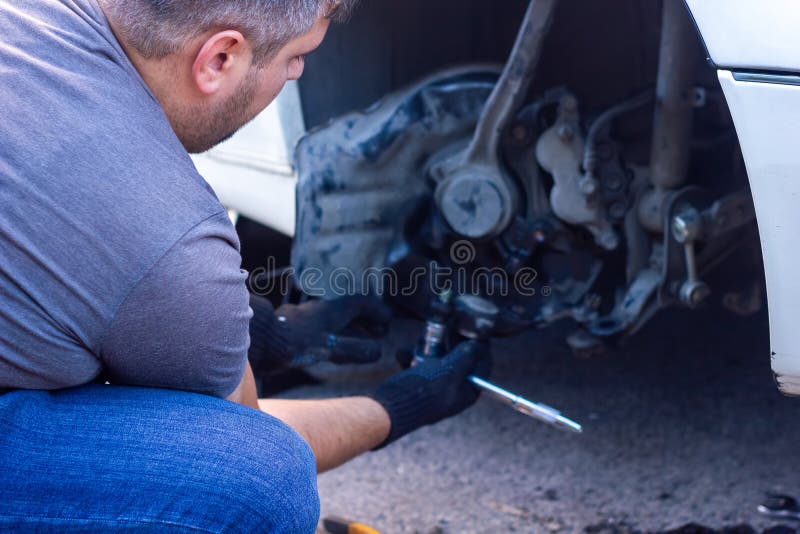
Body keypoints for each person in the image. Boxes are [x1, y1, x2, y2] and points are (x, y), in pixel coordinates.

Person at [0, 0, 491, 532]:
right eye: (298, 56)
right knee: (261, 480)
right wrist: (401, 405)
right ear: (219, 59)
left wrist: (265, 330)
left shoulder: (29, 17)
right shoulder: (171, 234)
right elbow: (236, 433)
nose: (299, 71)